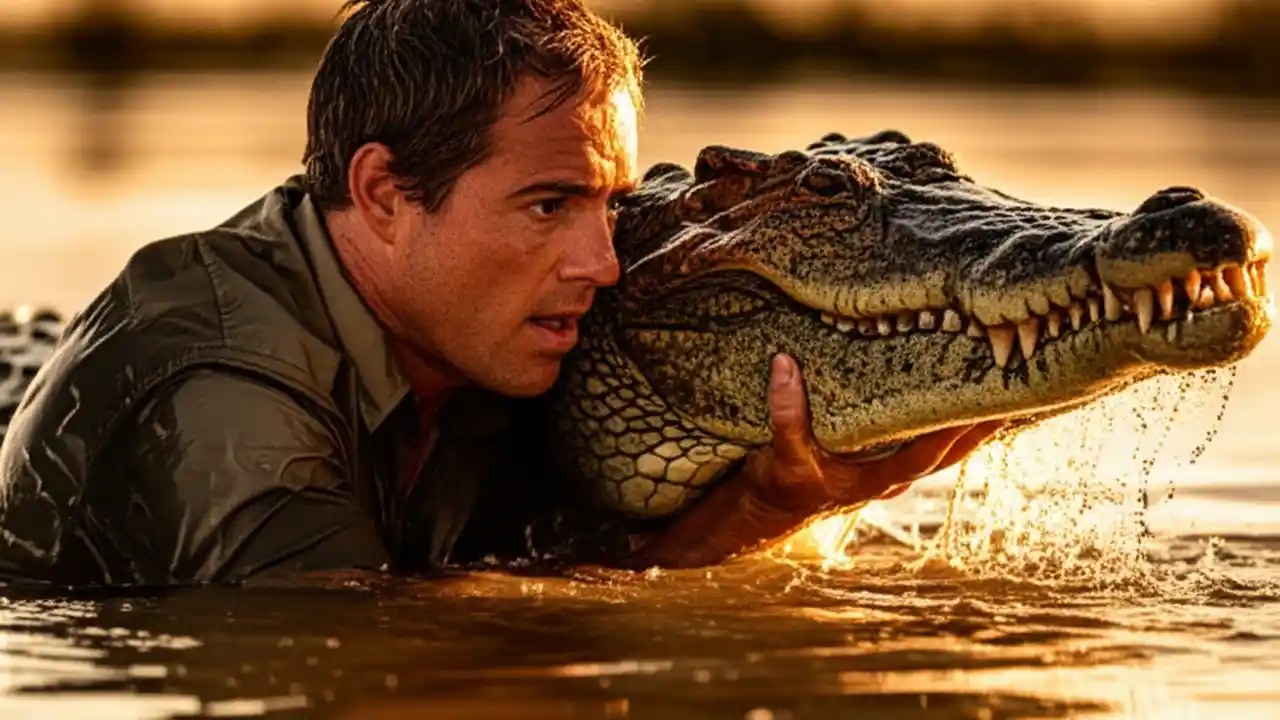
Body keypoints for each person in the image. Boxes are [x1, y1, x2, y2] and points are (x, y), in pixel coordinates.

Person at [0, 0, 1002, 586]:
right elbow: (388, 675)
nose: (600, 263)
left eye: (604, 203)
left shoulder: (462, 325)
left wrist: (768, 503)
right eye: (547, 205)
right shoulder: (224, 395)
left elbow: (570, 577)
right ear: (383, 194)